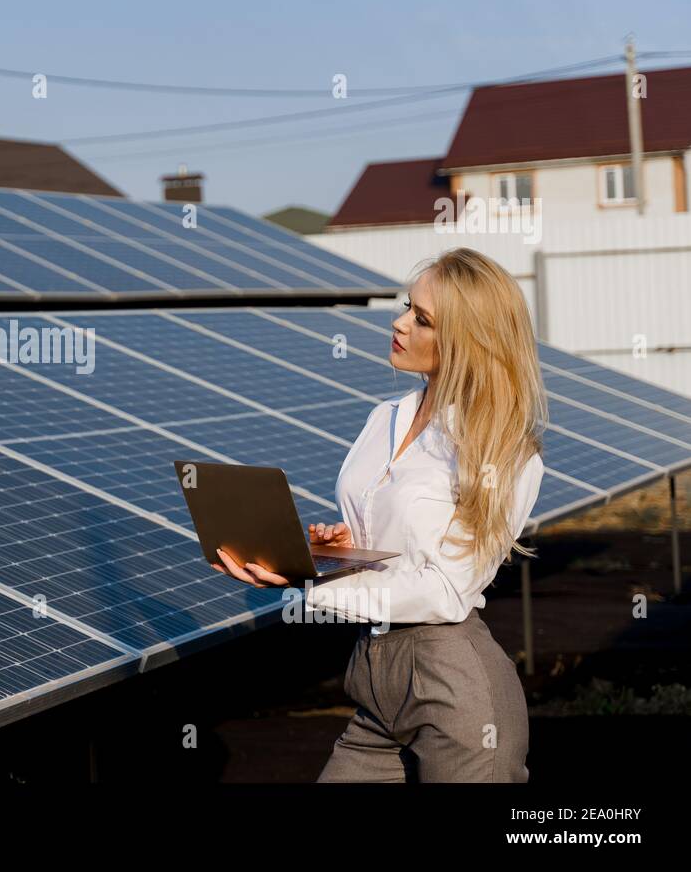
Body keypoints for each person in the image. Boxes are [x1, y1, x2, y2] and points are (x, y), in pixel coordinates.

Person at [213, 248, 546, 782]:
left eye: (422, 319)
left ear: (467, 340)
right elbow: (390, 548)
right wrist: (332, 550)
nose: (398, 322)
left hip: (453, 688)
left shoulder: (503, 450)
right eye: (406, 307)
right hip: (373, 674)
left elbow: (444, 591)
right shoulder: (383, 418)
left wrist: (309, 586)